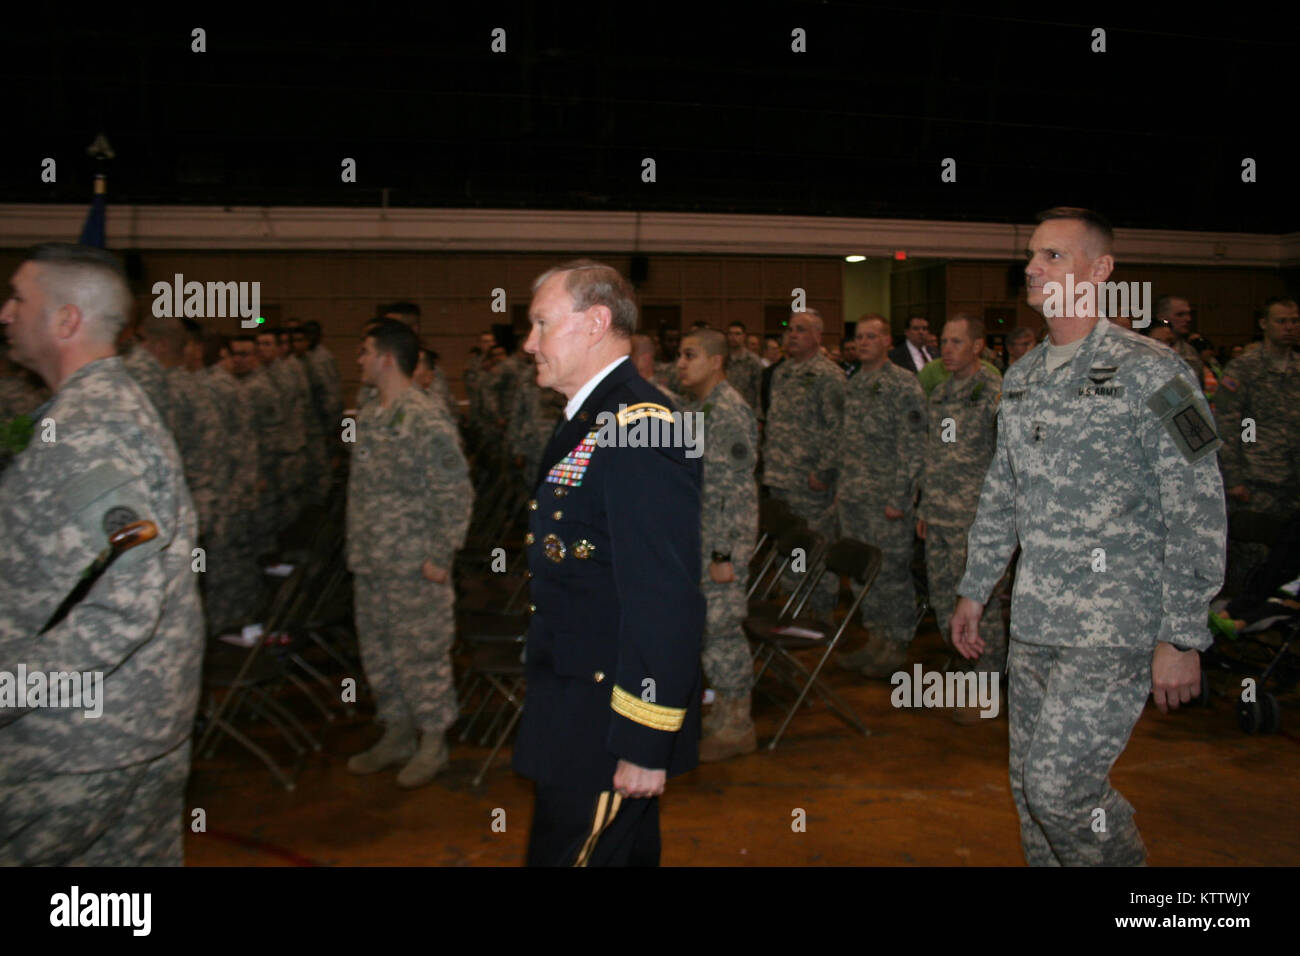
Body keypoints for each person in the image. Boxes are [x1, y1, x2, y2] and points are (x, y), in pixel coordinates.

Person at [952, 207, 1226, 866]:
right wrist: (973, 590)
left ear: (1100, 270)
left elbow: (1199, 503)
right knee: (1028, 791)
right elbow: (1002, 493)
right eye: (1031, 255)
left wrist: (1183, 633)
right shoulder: (1020, 378)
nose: (1032, 268)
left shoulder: (1155, 372)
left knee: (1061, 790)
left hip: (1115, 624)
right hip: (1038, 618)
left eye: (1052, 256)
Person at [0, 243, 202, 865]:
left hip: (80, 742)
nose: (5, 313)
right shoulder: (101, 408)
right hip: (126, 726)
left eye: (18, 298)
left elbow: (127, 603)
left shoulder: (88, 429)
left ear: (66, 320)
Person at [513, 259, 704, 867]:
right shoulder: (591, 419)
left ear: (595, 323)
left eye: (542, 324)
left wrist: (647, 740)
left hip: (608, 719)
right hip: (573, 706)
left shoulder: (639, 425)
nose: (528, 343)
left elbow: (664, 593)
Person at [345, 319, 472, 788]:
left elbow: (455, 490)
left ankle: (433, 743)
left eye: (364, 350)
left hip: (415, 563)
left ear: (385, 357)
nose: (357, 360)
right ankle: (396, 733)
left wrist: (441, 554)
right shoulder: (369, 412)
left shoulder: (425, 415)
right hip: (372, 559)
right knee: (379, 652)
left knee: (421, 652)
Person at [916, 316, 1006, 722]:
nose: (946, 350)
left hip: (976, 520)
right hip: (939, 515)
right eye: (943, 342)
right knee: (942, 600)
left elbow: (1006, 462)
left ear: (978, 346)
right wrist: (924, 508)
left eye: (956, 342)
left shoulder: (994, 393)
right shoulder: (938, 394)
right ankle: (964, 673)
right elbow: (933, 455)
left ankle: (986, 685)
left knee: (979, 605)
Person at [675, 329, 759, 761]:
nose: (681, 364)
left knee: (723, 629)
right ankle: (724, 711)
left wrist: (723, 555)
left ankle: (739, 723)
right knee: (710, 629)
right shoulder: (701, 409)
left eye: (690, 355)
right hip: (706, 540)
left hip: (721, 546)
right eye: (679, 355)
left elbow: (734, 493)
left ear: (716, 361)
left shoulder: (728, 411)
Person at [834, 315, 926, 675]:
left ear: (888, 341)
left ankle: (896, 642)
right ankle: (874, 637)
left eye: (872, 336)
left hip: (886, 498)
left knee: (891, 572)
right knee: (863, 573)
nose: (863, 343)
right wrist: (843, 488)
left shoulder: (903, 384)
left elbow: (914, 445)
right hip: (855, 495)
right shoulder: (854, 382)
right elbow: (849, 441)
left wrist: (900, 498)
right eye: (859, 337)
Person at [761, 309, 845, 621]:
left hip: (810, 481)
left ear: (817, 337)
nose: (791, 335)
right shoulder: (780, 373)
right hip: (780, 476)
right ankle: (794, 602)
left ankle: (821, 608)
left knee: (814, 543)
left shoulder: (828, 376)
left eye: (800, 330)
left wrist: (823, 472)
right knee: (789, 543)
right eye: (790, 330)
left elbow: (838, 429)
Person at [1213, 296, 1300, 594]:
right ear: (1264, 324)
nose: (1289, 327)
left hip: (1293, 480)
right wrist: (1234, 477)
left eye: (1294, 321)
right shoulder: (1245, 368)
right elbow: (1227, 424)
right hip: (1256, 477)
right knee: (1251, 556)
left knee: (1288, 557)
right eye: (1282, 321)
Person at [1155, 295, 1205, 390]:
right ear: (1162, 318)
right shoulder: (1146, 348)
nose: (1188, 319)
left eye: (1189, 314)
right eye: (1180, 314)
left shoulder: (1191, 352)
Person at [724, 321, 763, 409]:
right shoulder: (722, 359)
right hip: (725, 408)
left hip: (746, 409)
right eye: (730, 334)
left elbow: (759, 390)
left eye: (737, 334)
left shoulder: (753, 360)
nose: (733, 337)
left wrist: (759, 416)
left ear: (744, 336)